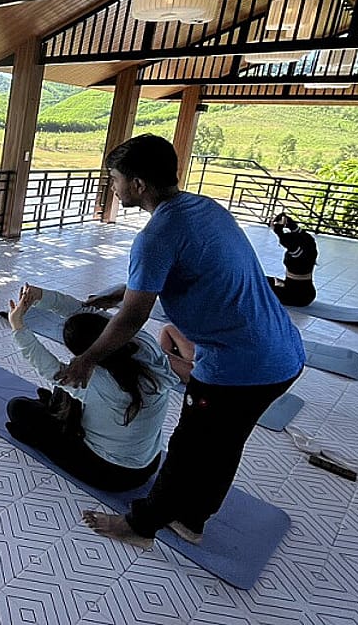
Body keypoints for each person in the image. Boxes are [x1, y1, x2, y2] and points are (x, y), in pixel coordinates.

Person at [56, 134, 305, 549]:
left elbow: (133, 319)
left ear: (138, 185)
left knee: (189, 448)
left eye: (114, 179)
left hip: (240, 366)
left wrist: (87, 359)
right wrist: (122, 289)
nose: (111, 187)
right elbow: (183, 269)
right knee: (222, 445)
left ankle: (140, 527)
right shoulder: (204, 207)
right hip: (284, 354)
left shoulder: (155, 236)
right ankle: (192, 519)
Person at [4, 283, 184, 492]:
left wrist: (17, 326)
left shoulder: (95, 379)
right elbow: (87, 313)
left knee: (17, 408)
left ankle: (43, 430)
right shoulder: (143, 343)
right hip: (150, 462)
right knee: (62, 391)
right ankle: (53, 412)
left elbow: (50, 370)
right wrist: (41, 296)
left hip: (111, 472)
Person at [266, 212, 317, 306]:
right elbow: (300, 233)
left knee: (259, 286)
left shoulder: (298, 255)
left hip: (295, 296)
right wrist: (287, 221)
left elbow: (288, 242)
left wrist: (278, 230)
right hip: (305, 292)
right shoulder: (310, 246)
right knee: (262, 279)